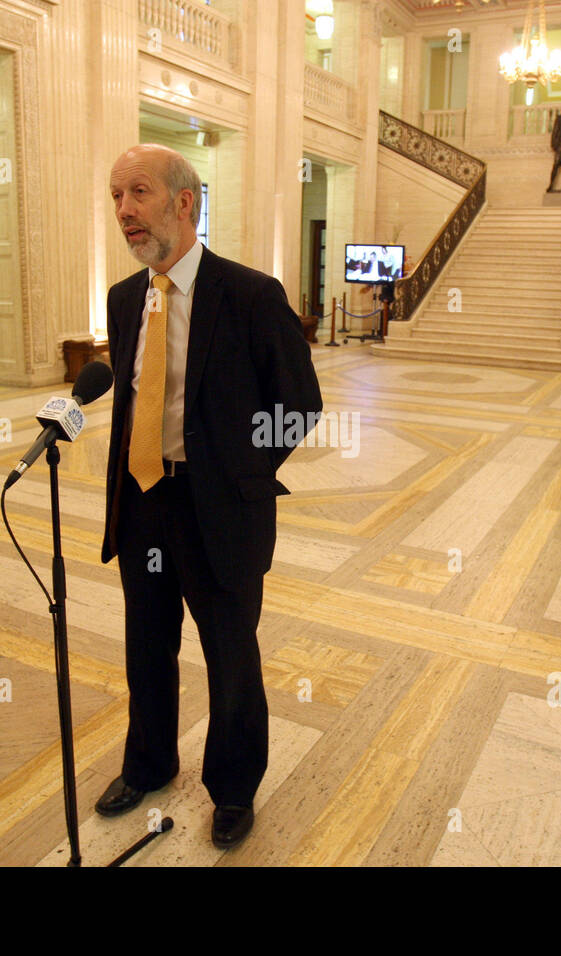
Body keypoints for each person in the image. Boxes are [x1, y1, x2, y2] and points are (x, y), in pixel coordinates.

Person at [98, 143, 323, 849]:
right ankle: (149, 764)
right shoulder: (125, 297)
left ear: (184, 201)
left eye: (137, 193)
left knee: (229, 654)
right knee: (147, 644)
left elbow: (299, 405)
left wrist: (242, 473)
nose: (125, 212)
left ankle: (232, 788)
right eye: (115, 198)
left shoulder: (251, 295)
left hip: (219, 508)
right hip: (143, 502)